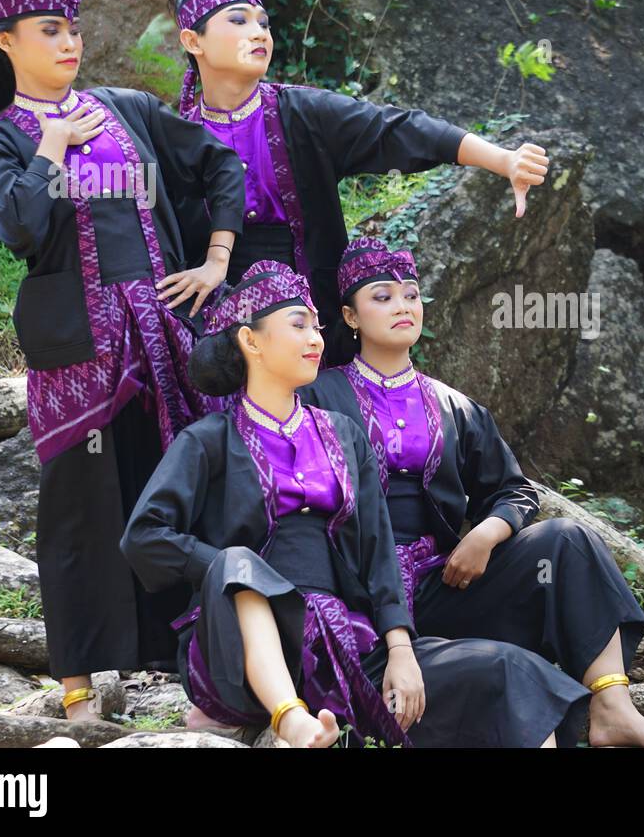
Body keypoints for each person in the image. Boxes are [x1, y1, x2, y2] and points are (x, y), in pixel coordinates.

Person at [120, 260, 594, 747]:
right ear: (251, 341)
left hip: (343, 634)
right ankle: (289, 718)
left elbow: (378, 549)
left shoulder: (344, 434)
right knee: (242, 567)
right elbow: (145, 535)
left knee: (507, 669)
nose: (316, 339)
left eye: (317, 327)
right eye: (299, 326)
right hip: (238, 644)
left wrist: (400, 649)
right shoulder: (208, 441)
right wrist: (225, 569)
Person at [0, 0, 247, 721]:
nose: (69, 41)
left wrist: (215, 260)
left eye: (74, 28)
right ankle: (79, 684)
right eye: (50, 30)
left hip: (159, 336)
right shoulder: (4, 141)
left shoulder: (124, 109)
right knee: (81, 509)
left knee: (174, 492)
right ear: (7, 43)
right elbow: (21, 230)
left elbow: (217, 160)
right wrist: (49, 149)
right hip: (77, 351)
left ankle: (191, 670)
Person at [292, 236, 644, 748]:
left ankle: (612, 704)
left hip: (441, 588)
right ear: (349, 316)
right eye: (383, 296)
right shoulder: (318, 396)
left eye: (412, 294)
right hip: (360, 595)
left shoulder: (455, 407)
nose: (403, 307)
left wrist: (487, 532)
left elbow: (512, 489)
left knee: (567, 539)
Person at [168, 0, 549, 350]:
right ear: (193, 41)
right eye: (238, 20)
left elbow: (397, 130)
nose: (259, 32)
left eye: (264, 23)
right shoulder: (173, 138)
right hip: (221, 335)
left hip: (317, 325)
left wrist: (503, 160)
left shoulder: (303, 113)